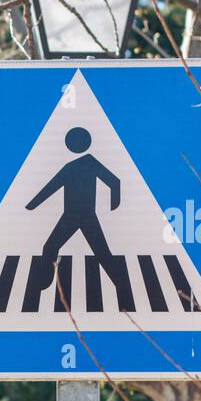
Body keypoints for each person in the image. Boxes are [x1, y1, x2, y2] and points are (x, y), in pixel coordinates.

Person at [24, 127, 133, 311]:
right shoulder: (81, 165)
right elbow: (51, 188)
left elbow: (114, 181)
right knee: (52, 247)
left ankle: (125, 292)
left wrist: (113, 205)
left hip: (84, 216)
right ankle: (44, 281)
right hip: (72, 215)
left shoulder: (83, 164)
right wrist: (32, 205)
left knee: (101, 254)